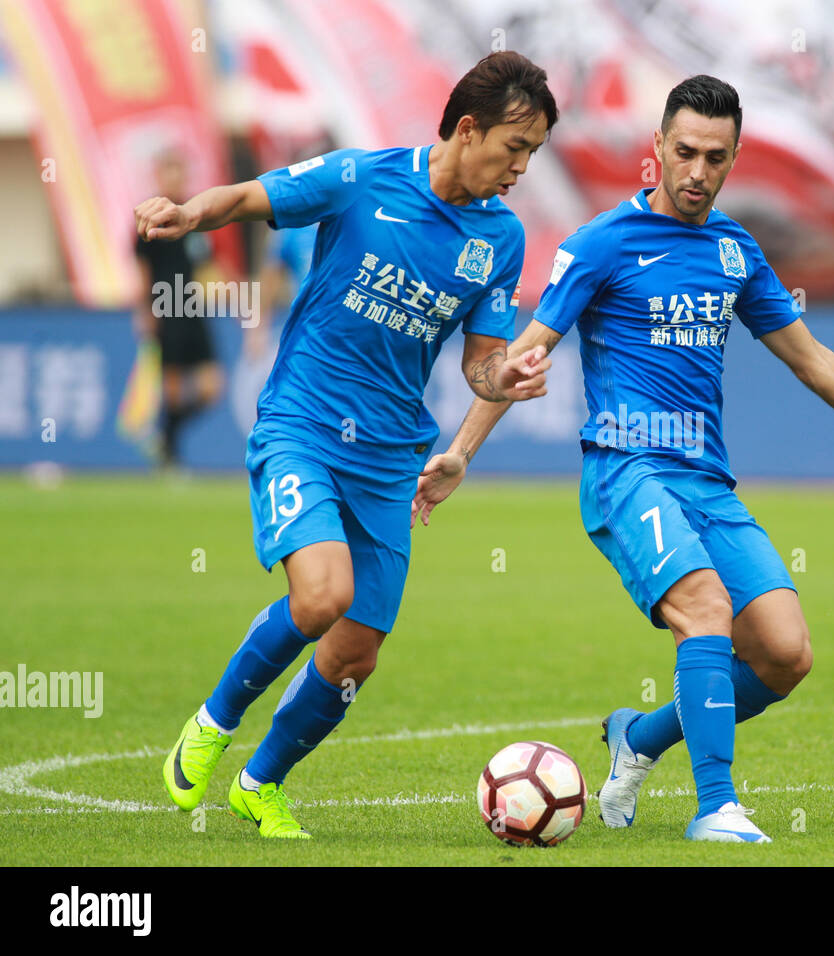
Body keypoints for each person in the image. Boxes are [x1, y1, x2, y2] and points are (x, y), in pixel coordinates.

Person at [412, 75, 834, 843]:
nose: (697, 171)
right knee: (706, 609)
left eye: (715, 157)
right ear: (657, 147)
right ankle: (717, 806)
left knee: (784, 654)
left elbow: (813, 361)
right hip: (625, 470)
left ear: (734, 157)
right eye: (684, 152)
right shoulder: (603, 242)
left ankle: (638, 737)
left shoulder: (735, 251)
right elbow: (526, 352)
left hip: (706, 481)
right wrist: (460, 454)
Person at [140, 52, 557, 838]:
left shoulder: (500, 238)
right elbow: (254, 195)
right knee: (321, 595)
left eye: (533, 153)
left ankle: (261, 784)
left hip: (392, 457)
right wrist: (192, 214)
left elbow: (479, 359)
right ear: (468, 130)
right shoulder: (364, 176)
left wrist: (506, 376)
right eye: (515, 146)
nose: (522, 167)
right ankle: (214, 719)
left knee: (353, 653)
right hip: (302, 423)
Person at [133, 149, 225, 466]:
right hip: (166, 310)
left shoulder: (195, 217)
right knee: (171, 391)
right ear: (158, 177)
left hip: (193, 310)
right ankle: (169, 453)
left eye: (180, 171)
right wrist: (145, 311)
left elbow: (209, 264)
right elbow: (143, 274)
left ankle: (163, 437)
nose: (175, 178)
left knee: (212, 388)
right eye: (169, 171)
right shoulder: (148, 219)